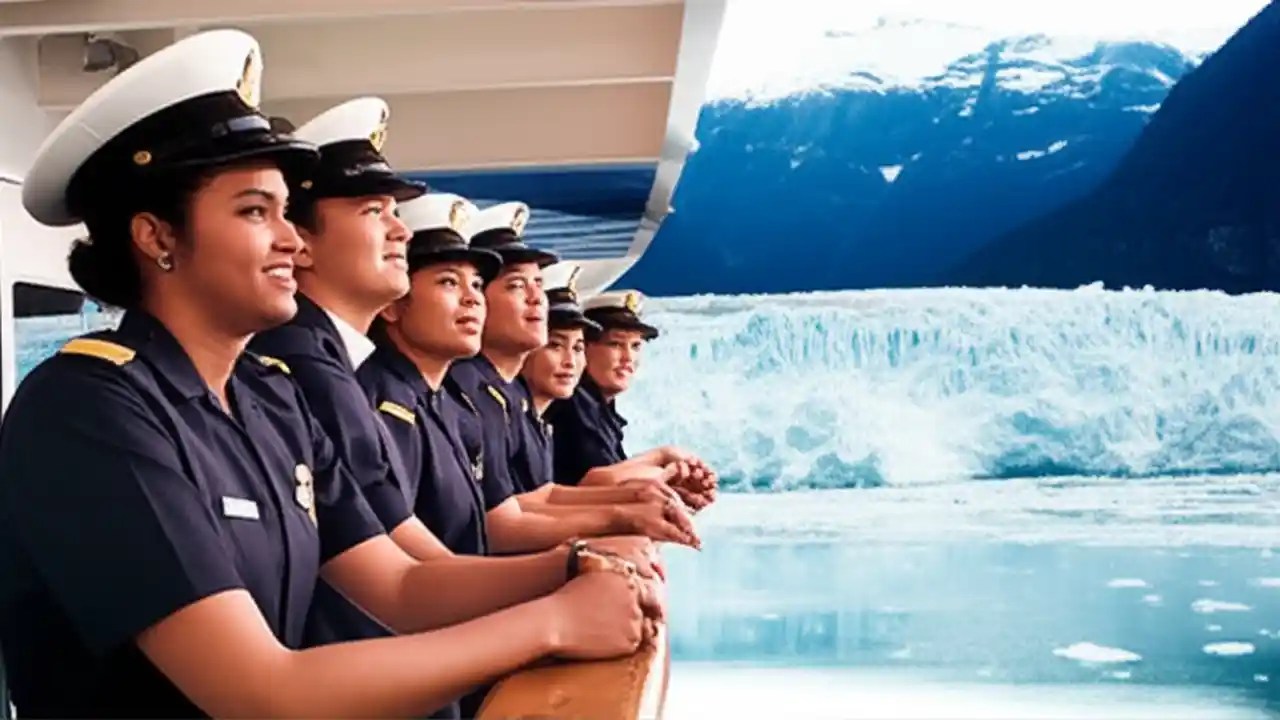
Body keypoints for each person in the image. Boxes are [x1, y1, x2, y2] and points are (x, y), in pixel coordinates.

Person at [0, 29, 658, 718]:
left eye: (287, 211)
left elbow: (401, 584)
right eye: (256, 211)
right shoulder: (87, 411)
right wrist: (551, 623)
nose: (291, 239)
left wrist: (575, 564)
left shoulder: (270, 397)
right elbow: (257, 690)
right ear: (156, 236)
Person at [446, 203, 702, 553]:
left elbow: (538, 498)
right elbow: (498, 525)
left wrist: (640, 498)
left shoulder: (508, 398)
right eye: (518, 286)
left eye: (538, 284)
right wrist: (619, 519)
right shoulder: (471, 393)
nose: (537, 299)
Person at [546, 289, 718, 508]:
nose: (628, 358)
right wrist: (662, 457)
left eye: (636, 346)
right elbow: (594, 483)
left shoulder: (599, 406)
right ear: (585, 348)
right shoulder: (572, 404)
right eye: (615, 344)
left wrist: (674, 489)